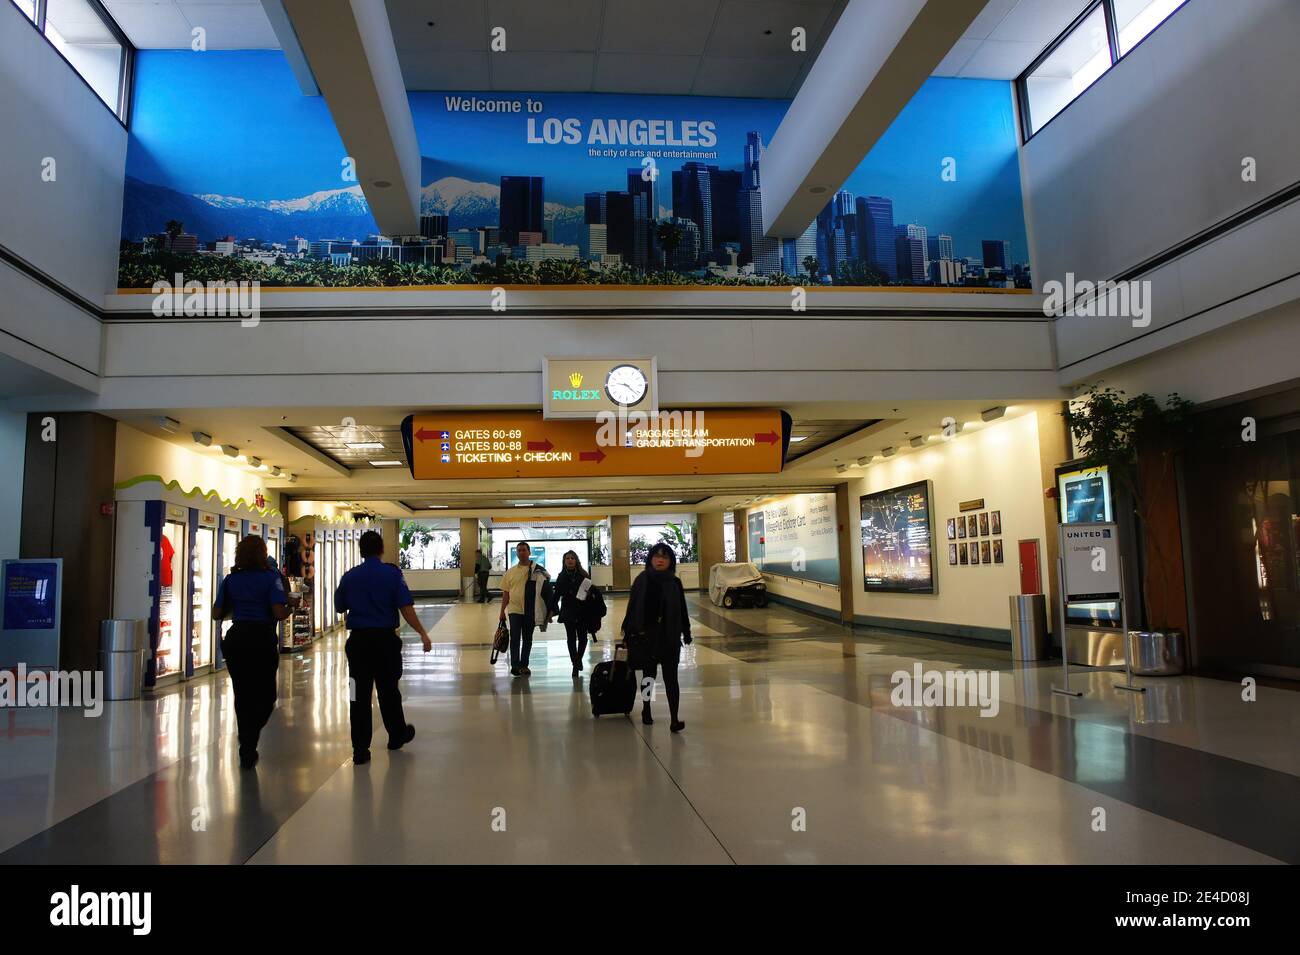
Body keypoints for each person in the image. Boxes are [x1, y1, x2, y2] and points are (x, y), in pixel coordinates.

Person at [335, 530, 432, 765]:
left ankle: (360, 748)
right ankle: (396, 735)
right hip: (385, 643)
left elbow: (339, 606)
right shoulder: (391, 575)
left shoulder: (349, 576)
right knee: (389, 690)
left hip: (357, 644)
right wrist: (422, 633)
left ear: (361, 550)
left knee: (357, 693)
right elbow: (405, 608)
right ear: (381, 550)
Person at [214, 535, 293, 769]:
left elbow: (216, 613)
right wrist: (291, 607)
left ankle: (246, 741)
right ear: (262, 554)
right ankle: (250, 737)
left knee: (242, 692)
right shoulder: (271, 578)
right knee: (267, 695)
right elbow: (278, 612)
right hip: (261, 639)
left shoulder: (230, 579)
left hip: (236, 639)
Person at [621, 542, 692, 732]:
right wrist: (627, 633)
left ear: (671, 561)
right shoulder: (642, 580)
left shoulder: (674, 583)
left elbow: (682, 610)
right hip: (646, 638)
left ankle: (674, 718)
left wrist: (687, 631)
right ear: (650, 559)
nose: (660, 560)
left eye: (665, 557)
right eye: (656, 556)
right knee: (648, 677)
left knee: (671, 679)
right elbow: (632, 607)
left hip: (669, 638)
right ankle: (646, 708)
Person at [498, 542, 552, 678]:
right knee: (515, 638)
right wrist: (501, 611)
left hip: (530, 610)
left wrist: (548, 611)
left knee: (527, 638)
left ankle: (524, 665)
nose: (521, 552)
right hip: (514, 610)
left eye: (524, 550)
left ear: (529, 552)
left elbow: (546, 590)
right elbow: (506, 593)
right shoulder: (510, 572)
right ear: (516, 553)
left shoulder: (537, 571)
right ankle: (515, 666)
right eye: (519, 550)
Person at [551, 550, 598, 677]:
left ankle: (578, 659)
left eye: (572, 558)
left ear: (576, 560)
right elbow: (556, 595)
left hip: (582, 611)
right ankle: (575, 664)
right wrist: (551, 611)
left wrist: (589, 595)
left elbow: (593, 593)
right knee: (571, 638)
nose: (570, 560)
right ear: (564, 561)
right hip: (568, 612)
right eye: (567, 558)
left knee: (582, 638)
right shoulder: (561, 576)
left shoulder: (584, 575)